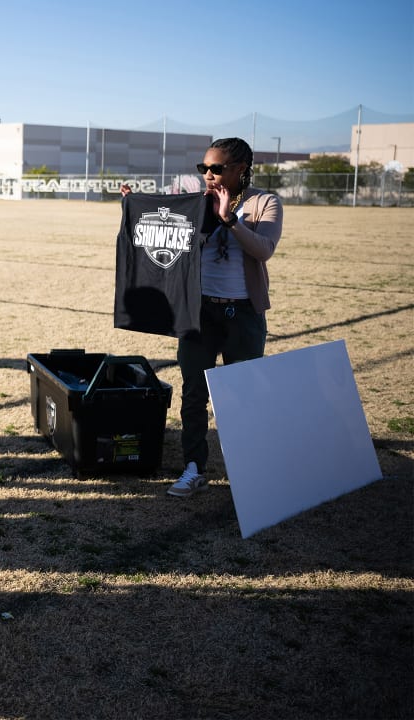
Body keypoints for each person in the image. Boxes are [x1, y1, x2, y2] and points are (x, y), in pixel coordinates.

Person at [122, 137, 282, 497]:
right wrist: (134, 205)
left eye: (217, 168)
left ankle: (249, 470)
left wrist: (230, 221)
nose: (209, 175)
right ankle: (194, 467)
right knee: (193, 392)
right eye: (203, 168)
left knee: (243, 394)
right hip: (199, 312)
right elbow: (158, 230)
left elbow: (264, 250)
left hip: (243, 313)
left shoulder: (264, 202)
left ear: (241, 168)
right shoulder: (194, 203)